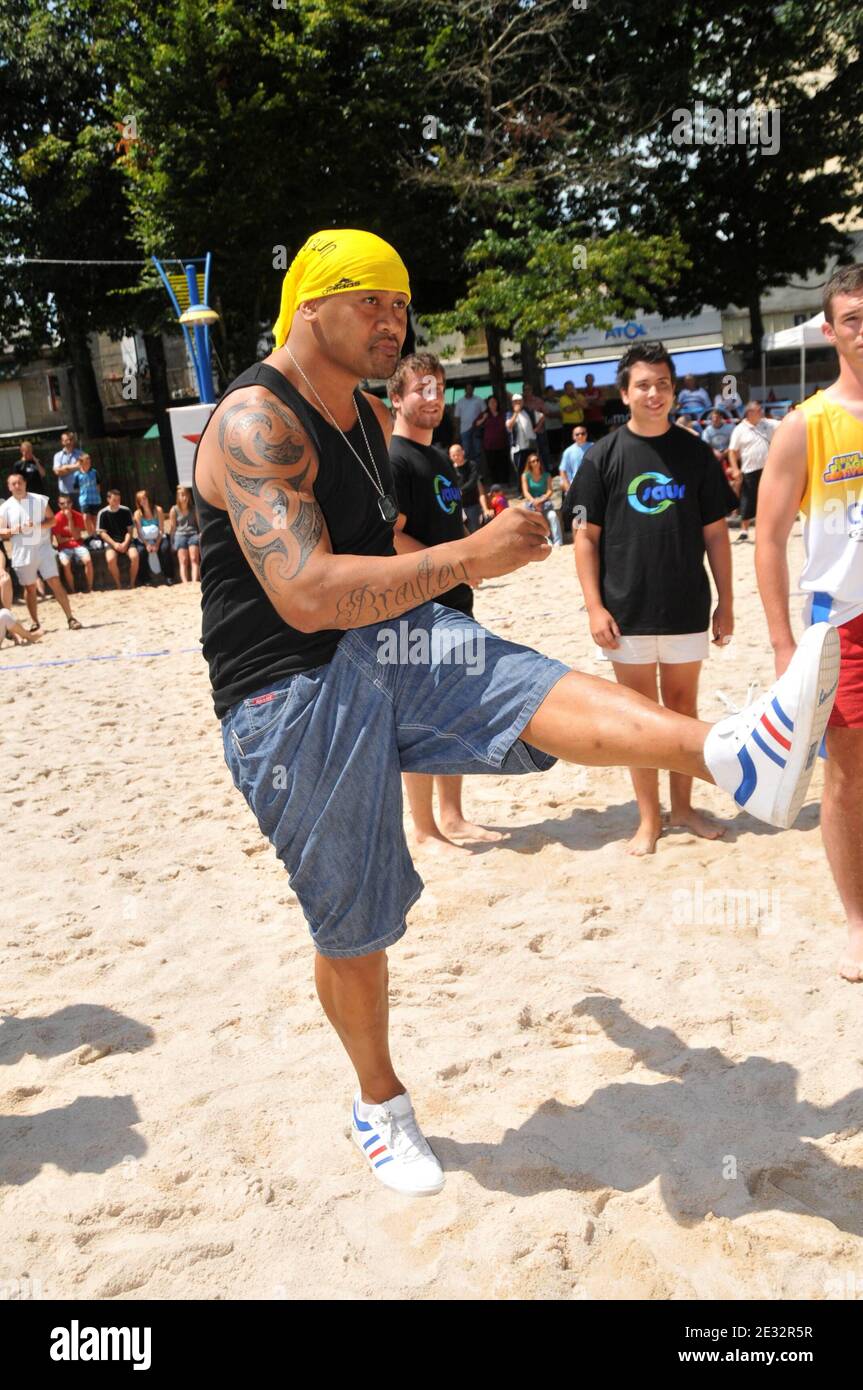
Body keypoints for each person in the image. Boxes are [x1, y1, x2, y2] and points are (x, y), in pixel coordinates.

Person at [191, 227, 839, 1198]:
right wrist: (466, 559)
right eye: (371, 300)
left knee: (517, 678)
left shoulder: (365, 420)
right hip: (283, 692)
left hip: (386, 647)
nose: (392, 321)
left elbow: (387, 555)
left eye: (401, 304)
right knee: (354, 924)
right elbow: (307, 593)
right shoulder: (256, 421)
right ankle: (379, 1102)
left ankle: (729, 752)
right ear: (310, 306)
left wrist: (468, 564)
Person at [572, 340, 737, 856]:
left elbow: (716, 535)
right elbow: (585, 539)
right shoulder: (602, 458)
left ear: (673, 389)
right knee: (639, 720)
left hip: (687, 603)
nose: (654, 393)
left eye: (663, 383)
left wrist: (726, 601)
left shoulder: (694, 453)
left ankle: (684, 808)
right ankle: (649, 819)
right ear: (625, 392)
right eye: (643, 384)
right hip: (626, 610)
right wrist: (595, 606)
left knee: (683, 711)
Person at [755, 262, 863, 982]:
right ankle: (857, 921)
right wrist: (783, 644)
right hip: (843, 628)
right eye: (852, 318)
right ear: (829, 330)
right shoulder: (805, 425)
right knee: (848, 782)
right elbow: (764, 540)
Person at [389, 350, 504, 850]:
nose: (432, 397)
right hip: (415, 607)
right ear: (397, 398)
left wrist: (471, 558)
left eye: (438, 388)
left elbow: (450, 524)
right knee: (418, 715)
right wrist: (454, 565)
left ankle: (453, 817)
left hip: (453, 601)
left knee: (455, 709)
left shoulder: (439, 456)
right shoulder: (394, 459)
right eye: (421, 389)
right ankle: (425, 827)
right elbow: (390, 537)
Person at [0, 470, 82, 630]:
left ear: (25, 483)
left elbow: (52, 521)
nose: (17, 486)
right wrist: (17, 529)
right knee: (30, 588)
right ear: (9, 487)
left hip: (43, 548)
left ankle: (70, 618)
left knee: (54, 582)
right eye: (13, 483)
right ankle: (35, 622)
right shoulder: (5, 507)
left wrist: (37, 526)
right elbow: (1, 531)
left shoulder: (39, 499)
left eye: (20, 482)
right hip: (22, 552)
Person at [728, 400, 780, 542]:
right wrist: (735, 469)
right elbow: (732, 451)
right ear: (750, 413)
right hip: (749, 469)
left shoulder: (768, 424)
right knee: (747, 500)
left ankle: (769, 530)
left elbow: (785, 424)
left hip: (768, 469)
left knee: (769, 499)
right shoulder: (739, 429)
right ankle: (744, 530)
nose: (761, 412)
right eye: (758, 410)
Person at [96, 489, 139, 589]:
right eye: (114, 500)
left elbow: (130, 531)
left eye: (118, 500)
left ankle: (132, 583)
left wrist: (125, 543)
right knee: (110, 559)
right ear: (108, 499)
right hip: (111, 542)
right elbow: (102, 533)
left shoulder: (126, 510)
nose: (117, 502)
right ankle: (118, 584)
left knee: (135, 556)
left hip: (126, 540)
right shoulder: (102, 513)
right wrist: (114, 544)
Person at [51, 493, 94, 593]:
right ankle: (73, 590)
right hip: (63, 548)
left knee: (88, 561)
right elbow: (59, 540)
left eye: (68, 503)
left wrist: (70, 519)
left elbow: (76, 537)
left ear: (72, 503)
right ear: (58, 505)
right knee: (66, 564)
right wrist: (71, 538)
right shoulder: (56, 519)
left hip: (78, 545)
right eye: (62, 503)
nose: (66, 505)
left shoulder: (77, 516)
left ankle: (90, 588)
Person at [521, 451, 562, 547]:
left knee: (553, 516)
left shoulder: (547, 475)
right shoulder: (525, 476)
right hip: (532, 503)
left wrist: (541, 500)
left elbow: (550, 491)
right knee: (533, 521)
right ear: (529, 464)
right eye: (533, 461)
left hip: (544, 501)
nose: (535, 463)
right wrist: (534, 501)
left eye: (537, 460)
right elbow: (525, 492)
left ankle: (558, 541)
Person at [449, 442, 492, 533]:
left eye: (458, 454)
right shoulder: (450, 469)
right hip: (457, 506)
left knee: (475, 531)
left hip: (472, 504)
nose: (456, 457)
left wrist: (460, 491)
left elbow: (473, 482)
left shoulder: (471, 465)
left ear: (463, 452)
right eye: (453, 455)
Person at [133, 488, 173, 582]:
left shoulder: (158, 510)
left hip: (158, 537)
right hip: (144, 539)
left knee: (165, 548)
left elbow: (161, 529)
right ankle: (145, 579)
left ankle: (169, 576)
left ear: (148, 498)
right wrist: (147, 544)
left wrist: (157, 544)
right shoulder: (137, 514)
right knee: (140, 552)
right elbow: (139, 532)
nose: (143, 501)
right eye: (140, 500)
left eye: (144, 498)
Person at [474, 394, 510, 486]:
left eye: (494, 402)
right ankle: (495, 484)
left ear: (497, 403)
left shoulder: (503, 414)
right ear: (488, 404)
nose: (493, 404)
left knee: (503, 464)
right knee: (492, 465)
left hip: (502, 443)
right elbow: (476, 424)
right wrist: (484, 418)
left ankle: (505, 482)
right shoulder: (484, 414)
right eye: (491, 402)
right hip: (489, 445)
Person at [168, 486, 201, 582]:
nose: (184, 497)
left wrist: (200, 534)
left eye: (186, 495)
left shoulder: (194, 509)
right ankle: (185, 582)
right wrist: (171, 542)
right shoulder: (174, 510)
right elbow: (173, 528)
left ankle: (194, 581)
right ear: (178, 497)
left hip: (193, 534)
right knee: (183, 561)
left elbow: (199, 525)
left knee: (194, 559)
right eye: (182, 495)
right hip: (180, 535)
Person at [506, 392, 537, 476]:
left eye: (519, 401)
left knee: (533, 468)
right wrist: (516, 413)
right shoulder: (510, 413)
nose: (518, 403)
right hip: (518, 448)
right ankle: (521, 489)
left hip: (531, 445)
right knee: (520, 471)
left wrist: (536, 429)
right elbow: (509, 426)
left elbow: (540, 417)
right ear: (512, 403)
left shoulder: (528, 411)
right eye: (515, 402)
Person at [453, 382, 484, 464]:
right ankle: (468, 471)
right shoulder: (460, 401)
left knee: (477, 451)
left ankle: (477, 472)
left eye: (471, 389)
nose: (469, 390)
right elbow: (457, 418)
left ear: (473, 390)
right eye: (468, 389)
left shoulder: (479, 400)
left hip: (476, 430)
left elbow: (485, 413)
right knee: (466, 452)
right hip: (464, 431)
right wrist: (457, 431)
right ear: (465, 390)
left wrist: (481, 424)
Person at [71, 453, 102, 535]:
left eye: (89, 462)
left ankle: (96, 535)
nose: (88, 464)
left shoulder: (94, 472)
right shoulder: (77, 475)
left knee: (95, 519)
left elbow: (98, 485)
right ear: (81, 463)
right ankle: (90, 536)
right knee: (86, 518)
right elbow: (76, 487)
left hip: (95, 499)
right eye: (86, 462)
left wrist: (98, 496)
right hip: (84, 500)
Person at [523, 385, 550, 469]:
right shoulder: (522, 402)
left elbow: (546, 413)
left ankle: (547, 470)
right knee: (531, 453)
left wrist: (538, 427)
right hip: (527, 433)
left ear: (532, 390)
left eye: (529, 389)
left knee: (543, 452)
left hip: (539, 430)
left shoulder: (538, 400)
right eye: (525, 390)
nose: (527, 391)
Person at [52, 430, 83, 499]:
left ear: (73, 441)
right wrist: (75, 467)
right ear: (62, 442)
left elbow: (82, 468)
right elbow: (57, 472)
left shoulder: (80, 454)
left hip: (79, 491)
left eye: (70, 440)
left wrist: (64, 468)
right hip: (64, 492)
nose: (69, 442)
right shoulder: (57, 456)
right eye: (66, 440)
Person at [559, 427, 585, 493]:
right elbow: (562, 471)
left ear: (586, 434)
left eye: (583, 433)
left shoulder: (593, 447)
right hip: (574, 485)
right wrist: (568, 488)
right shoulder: (568, 451)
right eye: (577, 434)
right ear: (573, 437)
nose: (580, 436)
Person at [581, 373, 606, 439]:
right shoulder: (583, 392)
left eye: (591, 379)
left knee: (600, 439)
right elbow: (584, 406)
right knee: (588, 440)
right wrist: (595, 401)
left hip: (598, 419)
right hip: (588, 420)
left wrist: (590, 402)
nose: (589, 381)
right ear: (585, 381)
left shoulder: (598, 391)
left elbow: (602, 403)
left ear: (593, 380)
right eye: (588, 379)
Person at [542, 387, 564, 460]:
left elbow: (562, 413)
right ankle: (553, 464)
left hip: (560, 427)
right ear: (546, 394)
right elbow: (548, 415)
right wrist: (559, 414)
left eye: (553, 391)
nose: (552, 393)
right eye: (550, 392)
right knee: (551, 448)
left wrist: (554, 414)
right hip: (549, 429)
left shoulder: (559, 401)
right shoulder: (544, 403)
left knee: (560, 447)